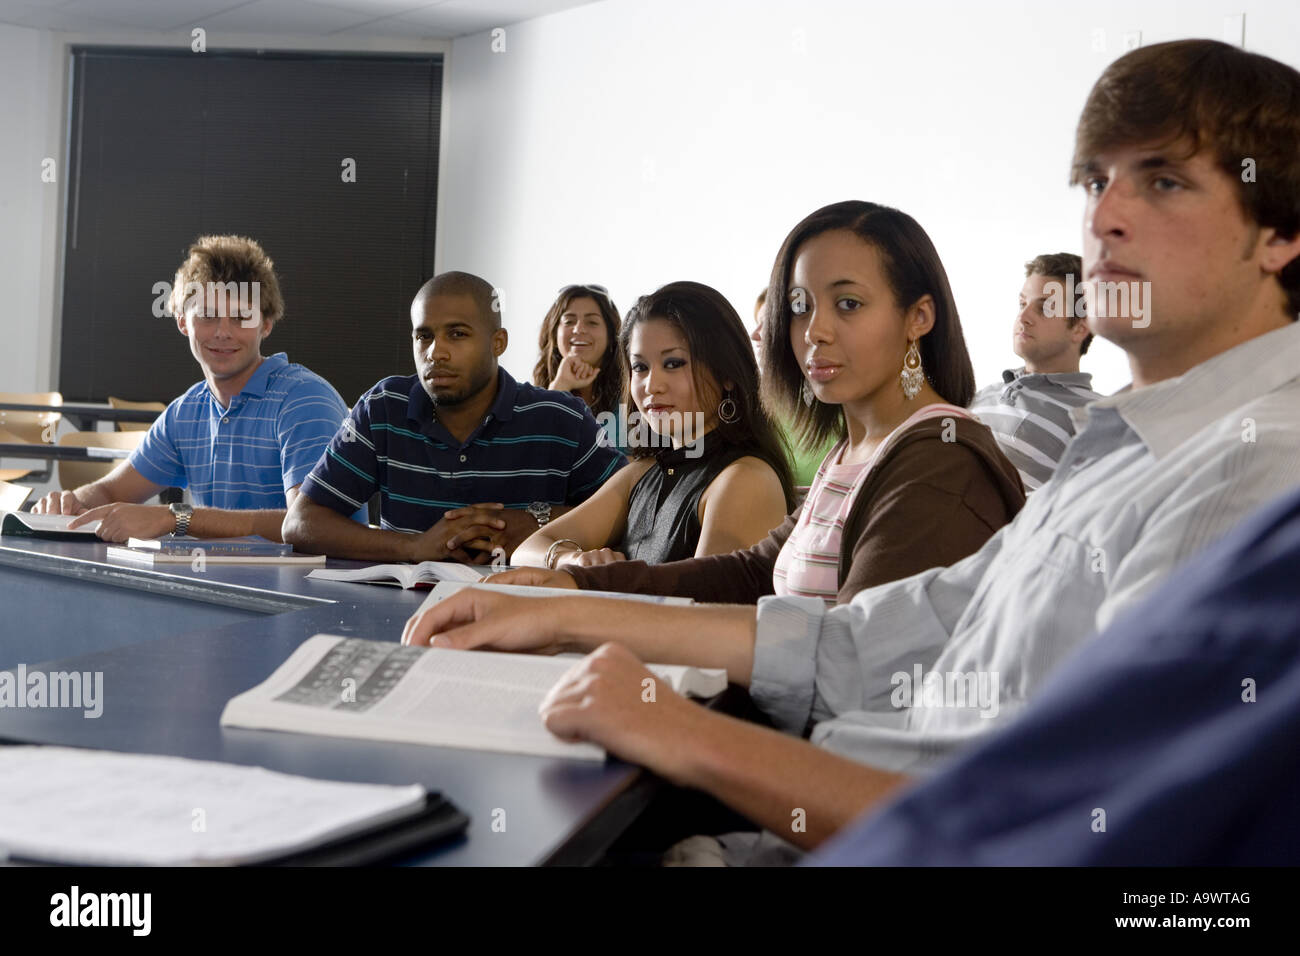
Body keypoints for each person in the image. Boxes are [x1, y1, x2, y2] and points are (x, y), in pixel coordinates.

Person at [403, 39, 1300, 864]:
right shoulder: (1118, 449)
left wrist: (682, 730)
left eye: (1164, 182)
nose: (1104, 217)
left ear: (1281, 232)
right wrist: (568, 609)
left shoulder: (1251, 473)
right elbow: (862, 639)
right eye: (1095, 181)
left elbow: (1056, 826)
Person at [493, 201, 1024, 606]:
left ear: (919, 317)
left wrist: (582, 610)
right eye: (798, 306)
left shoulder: (941, 461)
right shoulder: (850, 454)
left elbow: (852, 663)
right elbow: (748, 573)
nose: (814, 330)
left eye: (848, 304)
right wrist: (572, 582)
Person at [810, 483, 1300, 866]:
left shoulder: (1253, 480)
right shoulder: (1105, 448)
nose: (813, 345)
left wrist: (739, 754)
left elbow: (1036, 820)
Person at [281, 272, 625, 563]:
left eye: (457, 334)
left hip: (525, 615)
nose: (436, 352)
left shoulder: (560, 417)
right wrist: (414, 546)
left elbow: (638, 509)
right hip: (402, 617)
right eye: (424, 336)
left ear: (498, 343)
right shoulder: (384, 408)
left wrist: (537, 522)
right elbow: (300, 523)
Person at [32, 235, 351, 543]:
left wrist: (176, 518)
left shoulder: (305, 400)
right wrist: (71, 502)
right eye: (208, 316)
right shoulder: (186, 412)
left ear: (266, 324)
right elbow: (110, 492)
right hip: (219, 589)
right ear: (183, 322)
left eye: (241, 317)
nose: (223, 332)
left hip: (308, 593)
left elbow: (310, 525)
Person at [512, 281, 795, 570]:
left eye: (673, 363)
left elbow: (702, 604)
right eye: (640, 367)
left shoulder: (746, 479)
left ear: (727, 374)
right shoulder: (640, 473)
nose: (651, 385)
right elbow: (527, 549)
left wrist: (602, 578)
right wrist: (573, 558)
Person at [969, 253, 1104, 491]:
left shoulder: (1098, 416)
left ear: (1080, 328)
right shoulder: (980, 396)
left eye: (1044, 308)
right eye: (1022, 304)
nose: (1023, 317)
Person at [752, 288, 835, 488]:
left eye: (766, 323)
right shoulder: (756, 402)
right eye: (757, 324)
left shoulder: (840, 398)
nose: (755, 334)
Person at [532, 284, 624, 419]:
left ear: (611, 336)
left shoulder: (631, 394)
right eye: (569, 321)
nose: (578, 329)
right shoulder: (531, 398)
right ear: (554, 333)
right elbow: (535, 438)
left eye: (592, 322)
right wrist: (560, 386)